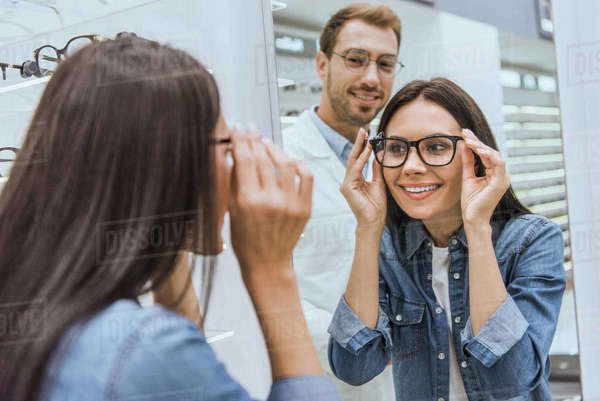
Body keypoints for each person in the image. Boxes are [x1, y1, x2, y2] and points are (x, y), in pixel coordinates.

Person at [0, 36, 342, 401]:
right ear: (174, 166)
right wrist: (273, 273)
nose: (234, 167)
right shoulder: (145, 350)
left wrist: (164, 231)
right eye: (225, 147)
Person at [328, 78, 566, 401]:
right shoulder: (385, 249)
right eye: (397, 148)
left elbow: (511, 377)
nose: (411, 167)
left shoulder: (531, 241)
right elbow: (354, 367)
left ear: (475, 154)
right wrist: (368, 228)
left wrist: (477, 227)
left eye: (436, 147)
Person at [282, 4, 401, 399]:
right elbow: (265, 286)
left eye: (386, 64)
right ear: (321, 64)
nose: (371, 77)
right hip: (322, 379)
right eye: (355, 60)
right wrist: (358, 340)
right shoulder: (280, 160)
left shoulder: (398, 160)